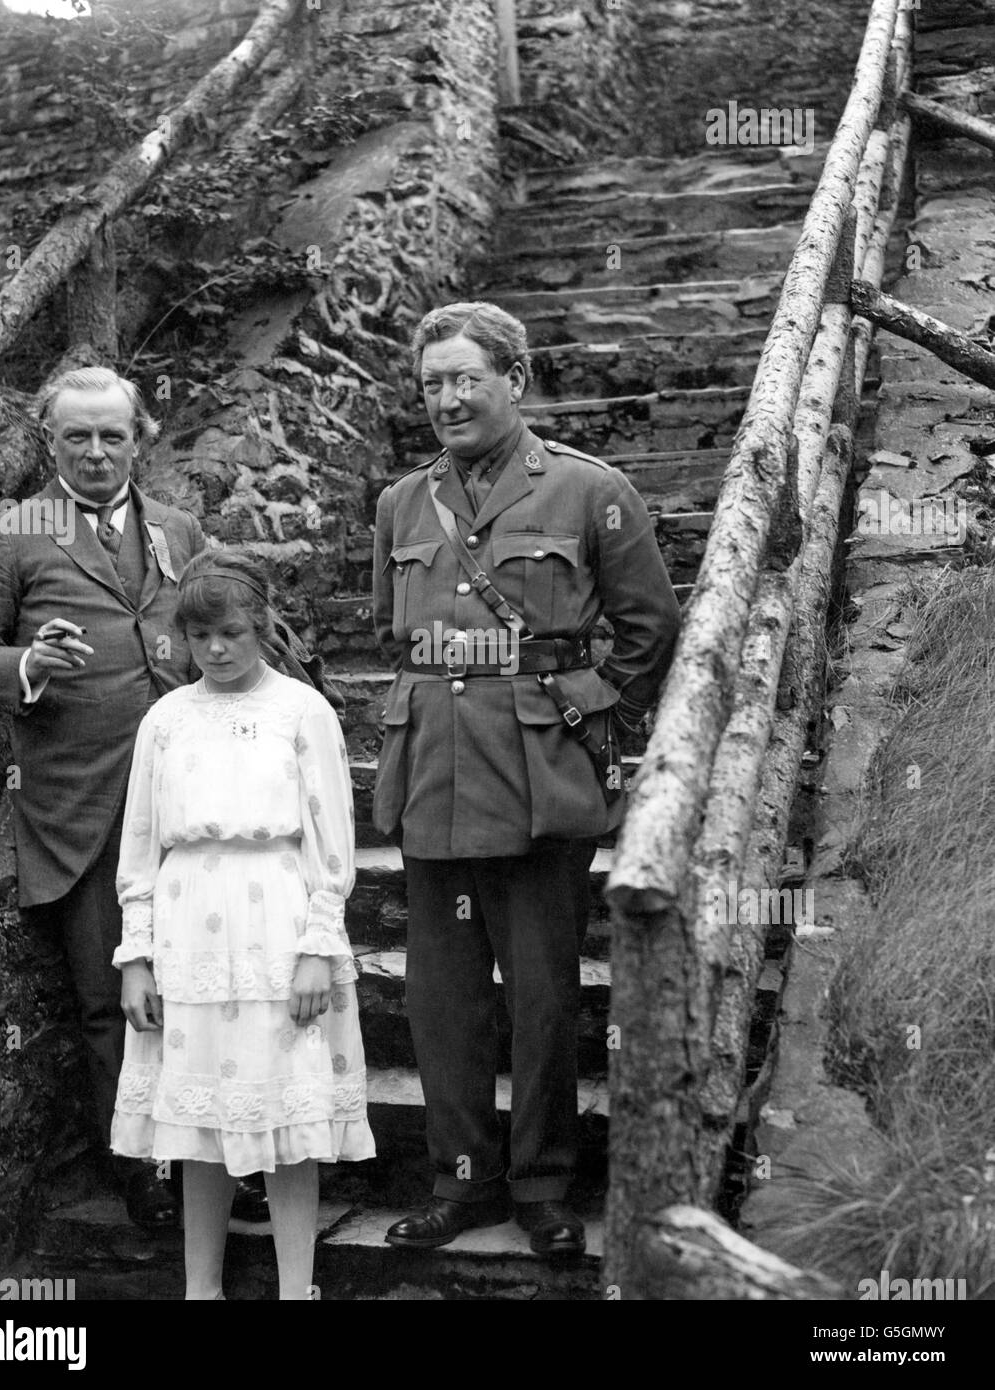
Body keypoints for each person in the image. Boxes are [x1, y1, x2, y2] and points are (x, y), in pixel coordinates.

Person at [372, 302, 681, 1257]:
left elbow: (651, 628)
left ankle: (546, 1187)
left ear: (517, 379)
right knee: (440, 997)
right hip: (433, 775)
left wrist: (592, 720)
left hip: (543, 775)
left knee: (544, 997)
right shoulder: (399, 503)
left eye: (468, 378)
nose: (450, 399)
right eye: (433, 384)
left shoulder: (592, 491)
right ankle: (460, 1184)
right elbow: (397, 627)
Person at [0, 366, 205, 1230]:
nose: (95, 453)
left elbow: (221, 637)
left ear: (140, 439)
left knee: (209, 980)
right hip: (81, 808)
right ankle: (140, 1169)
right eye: (75, 437)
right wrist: (26, 666)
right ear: (49, 443)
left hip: (192, 799)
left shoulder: (177, 528)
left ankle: (217, 1158)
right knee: (108, 997)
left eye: (112, 436)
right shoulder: (13, 535)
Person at [110, 551, 374, 1300]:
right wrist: (139, 954)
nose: (216, 651)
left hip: (279, 922)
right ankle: (202, 1288)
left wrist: (320, 946)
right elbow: (140, 841)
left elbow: (332, 835)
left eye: (229, 632)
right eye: (199, 638)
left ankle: (297, 1288)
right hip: (189, 923)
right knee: (200, 1126)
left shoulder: (301, 712)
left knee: (288, 1121)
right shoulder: (166, 719)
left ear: (260, 625)